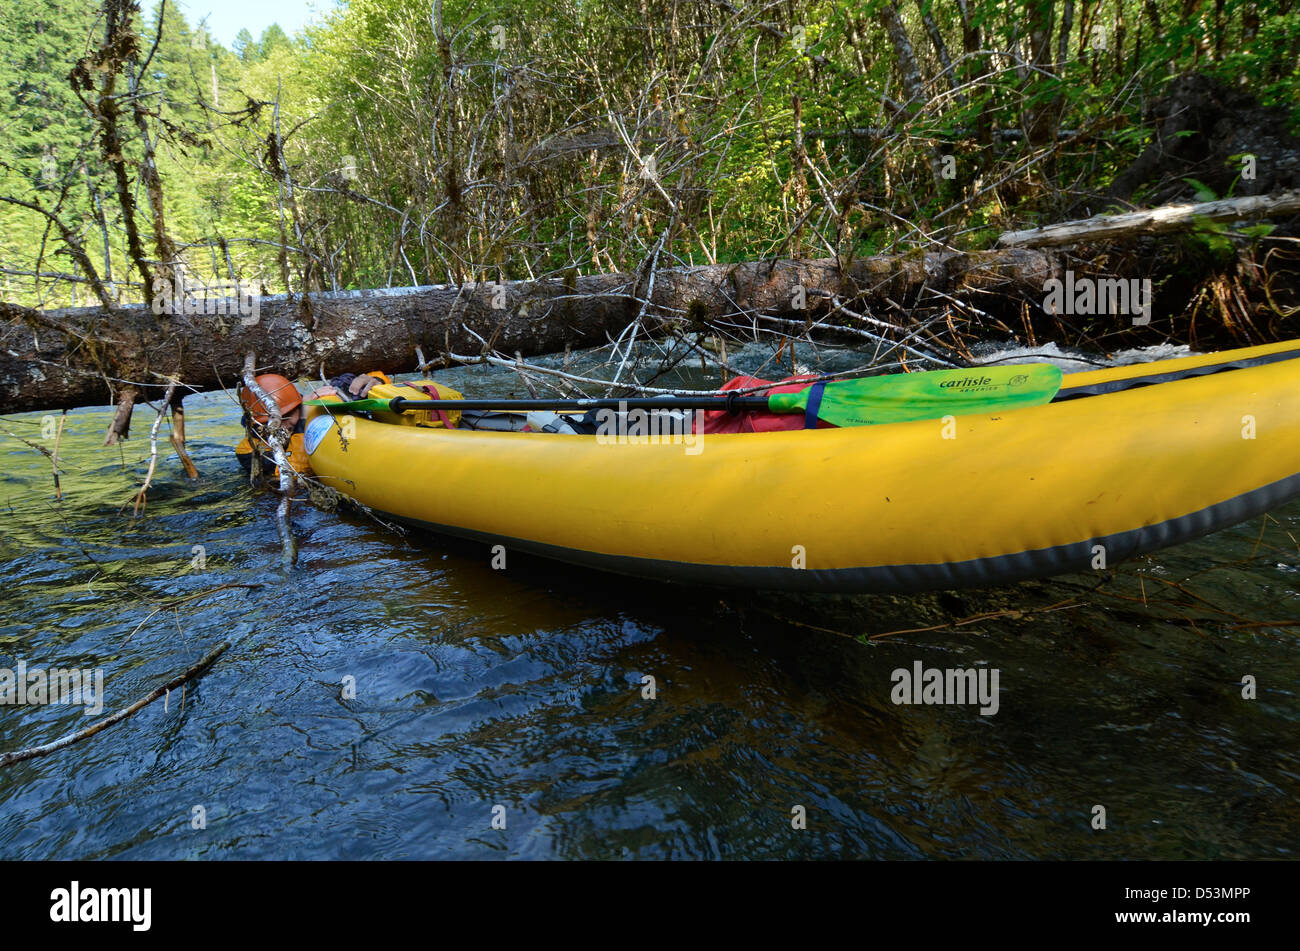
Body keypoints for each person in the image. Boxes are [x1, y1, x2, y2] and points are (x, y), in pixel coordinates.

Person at [236, 370, 391, 478]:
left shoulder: (310, 404)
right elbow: (296, 468)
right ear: (256, 423)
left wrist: (377, 381)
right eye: (274, 421)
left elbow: (372, 375)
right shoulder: (248, 451)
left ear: (299, 404)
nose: (285, 426)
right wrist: (303, 420)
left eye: (288, 415)